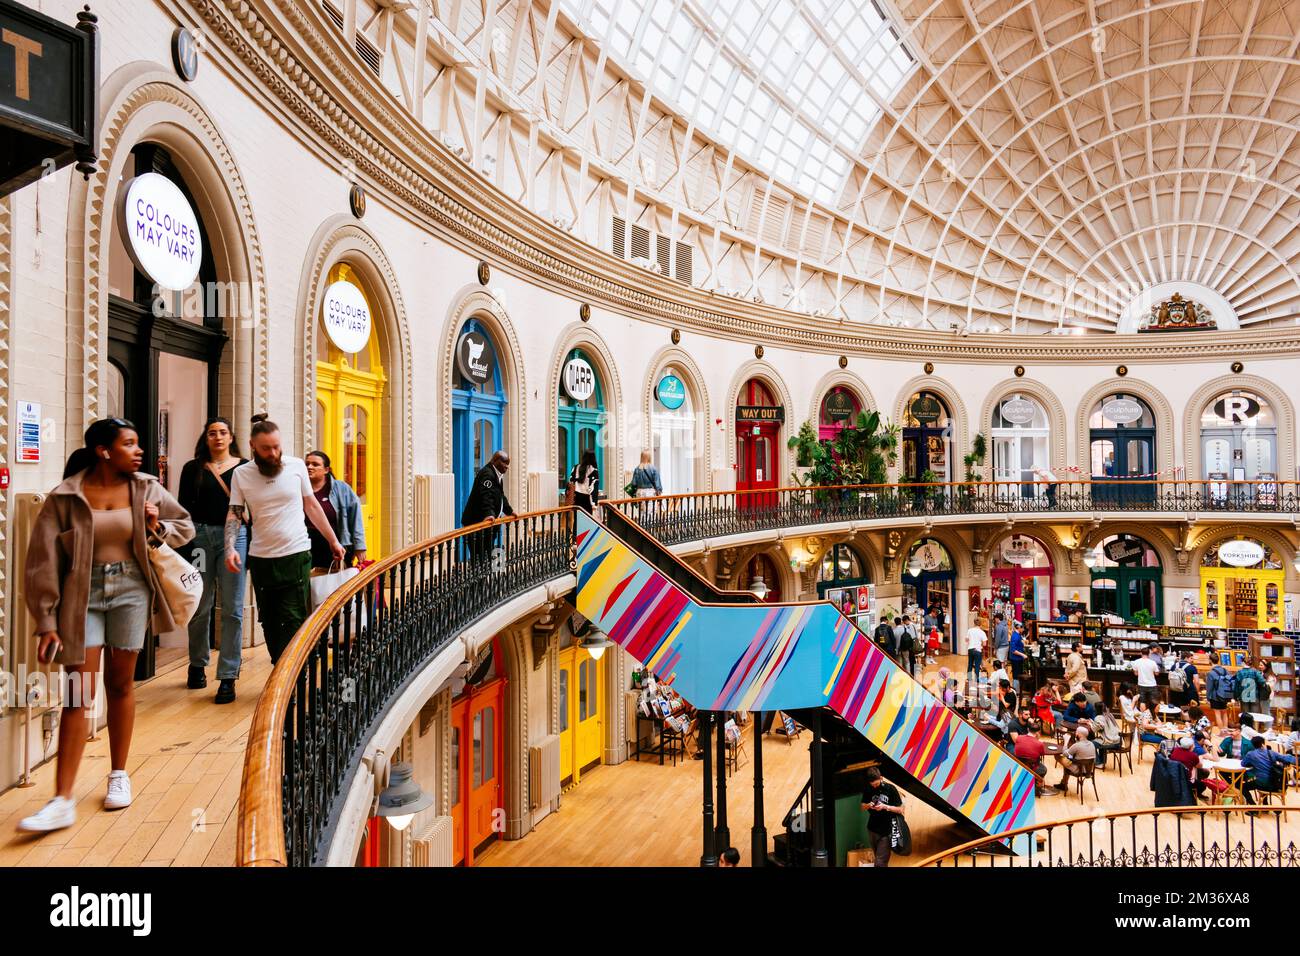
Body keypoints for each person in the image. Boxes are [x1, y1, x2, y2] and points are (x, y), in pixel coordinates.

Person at [17, 418, 195, 832]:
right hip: (82, 597)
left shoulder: (146, 487)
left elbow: (184, 527)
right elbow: (41, 562)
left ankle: (119, 774)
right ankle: (62, 799)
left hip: (132, 589)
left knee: (120, 684)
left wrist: (157, 525)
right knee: (78, 693)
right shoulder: (65, 496)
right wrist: (46, 620)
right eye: (129, 444)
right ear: (103, 451)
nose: (139, 451)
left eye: (138, 443)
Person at [226, 416, 344, 666]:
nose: (273, 453)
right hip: (261, 559)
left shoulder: (296, 466)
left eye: (277, 446)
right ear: (252, 446)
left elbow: (311, 505)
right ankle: (281, 668)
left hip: (296, 553)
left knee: (294, 617)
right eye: (266, 448)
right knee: (268, 619)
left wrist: (333, 541)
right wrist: (230, 547)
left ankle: (297, 673)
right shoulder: (241, 474)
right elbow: (235, 512)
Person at [178, 417, 250, 704]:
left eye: (222, 432)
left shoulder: (245, 468)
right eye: (212, 433)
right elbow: (184, 508)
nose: (218, 437)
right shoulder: (192, 468)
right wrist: (185, 544)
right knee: (199, 601)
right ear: (205, 438)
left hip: (236, 540)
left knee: (232, 607)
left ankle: (228, 676)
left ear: (231, 437)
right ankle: (197, 663)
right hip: (200, 539)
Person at [304, 450, 366, 571]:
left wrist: (360, 546)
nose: (309, 467)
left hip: (336, 544)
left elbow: (355, 517)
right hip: (307, 545)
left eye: (315, 464)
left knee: (335, 585)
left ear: (326, 470)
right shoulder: (300, 489)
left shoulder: (341, 489)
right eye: (307, 464)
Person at [460, 449, 515, 563]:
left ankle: (487, 577)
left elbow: (500, 496)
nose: (507, 467)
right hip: (477, 523)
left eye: (508, 464)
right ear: (495, 461)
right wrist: (489, 514)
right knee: (479, 556)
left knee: (486, 554)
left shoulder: (496, 474)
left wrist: (509, 511)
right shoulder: (487, 474)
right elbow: (486, 495)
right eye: (504, 463)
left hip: (488, 526)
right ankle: (479, 580)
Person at [860, 767, 904, 868]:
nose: (875, 786)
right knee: (878, 859)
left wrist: (885, 807)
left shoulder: (891, 789)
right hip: (872, 829)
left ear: (881, 778)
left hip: (886, 831)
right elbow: (862, 807)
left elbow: (900, 809)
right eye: (873, 785)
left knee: (880, 863)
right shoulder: (868, 789)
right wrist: (869, 805)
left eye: (876, 784)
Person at [1241, 736, 1295, 803]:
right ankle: (1265, 806)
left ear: (1252, 745)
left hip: (1263, 784)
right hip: (1275, 783)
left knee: (1243, 787)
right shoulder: (1271, 752)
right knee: (1264, 778)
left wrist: (1252, 763)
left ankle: (1253, 808)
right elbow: (1285, 758)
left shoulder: (1250, 754)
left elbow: (1243, 764)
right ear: (1263, 743)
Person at [1054, 726, 1097, 792]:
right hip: (1089, 770)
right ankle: (1063, 783)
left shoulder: (1077, 745)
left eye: (1076, 732)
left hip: (1079, 770)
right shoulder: (1092, 744)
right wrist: (1070, 757)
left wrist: (1066, 741)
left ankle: (1064, 783)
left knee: (1058, 756)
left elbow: (1065, 753)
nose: (1075, 733)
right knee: (1069, 759)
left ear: (1079, 734)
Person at [566, 449, 601, 515]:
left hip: (576, 497)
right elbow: (594, 489)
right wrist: (594, 504)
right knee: (587, 520)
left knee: (576, 520)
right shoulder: (593, 470)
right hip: (587, 499)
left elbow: (570, 482)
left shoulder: (576, 467)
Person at [1130, 645, 1161, 710]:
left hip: (1141, 684)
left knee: (1142, 701)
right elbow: (1157, 673)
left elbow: (1135, 674)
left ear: (1141, 653)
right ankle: (1153, 717)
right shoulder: (1152, 662)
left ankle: (1143, 717)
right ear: (1149, 653)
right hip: (1152, 685)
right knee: (1153, 702)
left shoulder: (1136, 662)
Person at [1204, 660, 1233, 730]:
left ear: (1210, 661)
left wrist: (1208, 698)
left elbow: (1209, 687)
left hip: (1215, 696)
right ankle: (1225, 729)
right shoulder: (1225, 670)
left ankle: (1221, 731)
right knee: (1224, 712)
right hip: (1225, 694)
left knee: (1217, 714)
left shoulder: (1211, 673)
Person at [1008, 624, 1028, 690]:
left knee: (1018, 674)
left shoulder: (1018, 635)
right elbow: (1013, 650)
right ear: (1019, 628)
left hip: (1018, 658)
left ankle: (1017, 689)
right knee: (1016, 675)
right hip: (1015, 659)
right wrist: (1023, 655)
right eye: (1022, 628)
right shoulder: (1015, 636)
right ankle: (1015, 690)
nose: (1023, 630)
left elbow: (1021, 642)